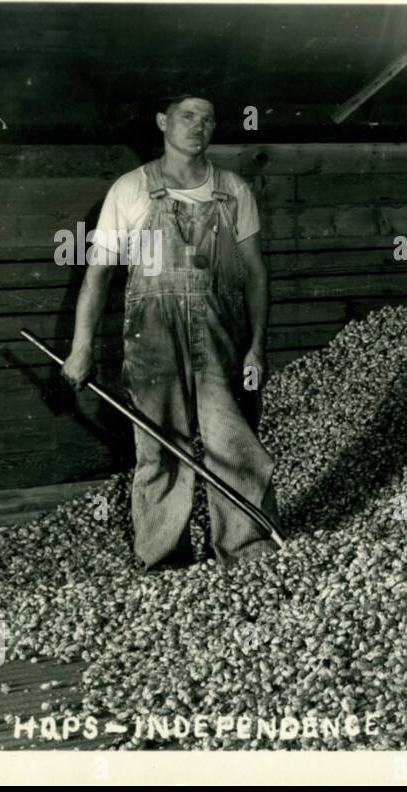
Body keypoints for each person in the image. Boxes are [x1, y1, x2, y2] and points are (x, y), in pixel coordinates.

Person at [61, 91, 280, 571]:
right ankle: (163, 559)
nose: (198, 126)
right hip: (153, 341)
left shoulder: (234, 190)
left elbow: (257, 275)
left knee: (236, 445)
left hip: (222, 338)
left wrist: (257, 347)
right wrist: (81, 347)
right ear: (163, 122)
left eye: (207, 119)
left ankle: (248, 554)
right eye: (187, 116)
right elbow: (97, 274)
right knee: (159, 450)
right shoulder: (130, 190)